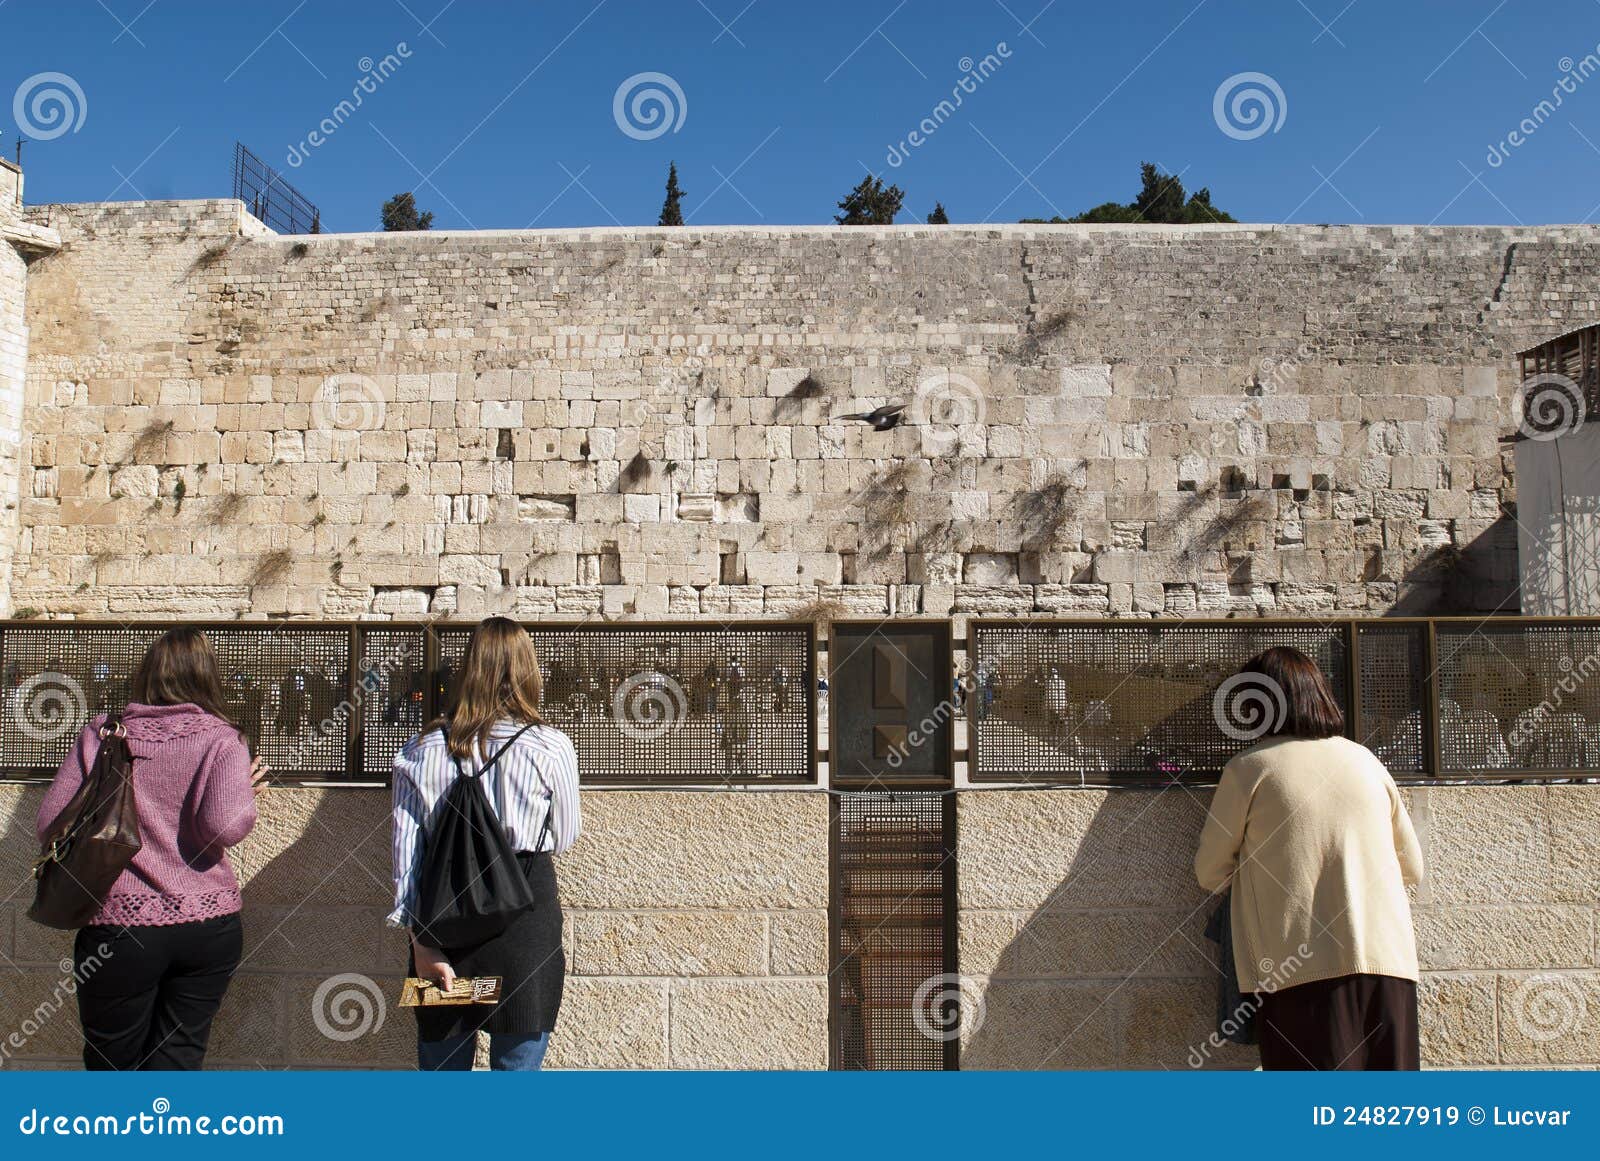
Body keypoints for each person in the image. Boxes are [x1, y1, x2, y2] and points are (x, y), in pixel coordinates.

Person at [36, 627, 269, 1070]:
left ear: (147, 673)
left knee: (112, 1064)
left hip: (118, 926)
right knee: (178, 1061)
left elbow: (50, 824)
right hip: (207, 926)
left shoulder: (103, 733)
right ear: (208, 676)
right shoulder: (223, 738)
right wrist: (243, 794)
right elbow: (224, 827)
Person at [1195, 646, 1424, 1071]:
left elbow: (1209, 871)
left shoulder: (1250, 768)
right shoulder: (1366, 761)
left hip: (1297, 971)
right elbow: (1412, 867)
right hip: (1390, 965)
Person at [390, 616, 581, 1071]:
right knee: (517, 1072)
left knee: (442, 1070)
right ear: (527, 670)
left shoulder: (420, 750)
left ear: (467, 669)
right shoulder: (551, 748)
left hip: (443, 925)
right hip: (525, 924)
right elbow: (565, 836)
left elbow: (406, 860)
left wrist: (422, 945)